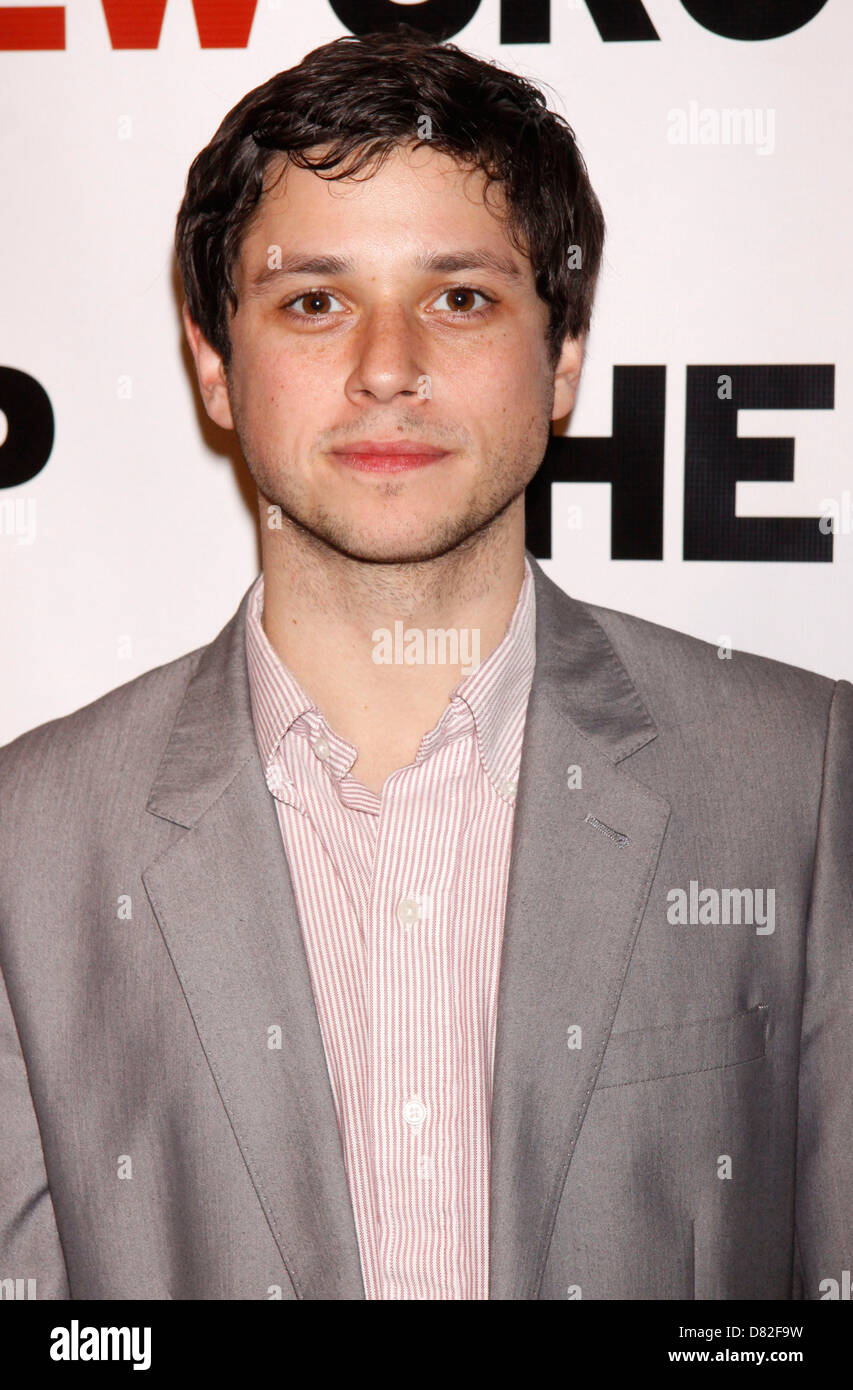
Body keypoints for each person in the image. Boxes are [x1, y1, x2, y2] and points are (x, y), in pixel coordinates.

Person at [0, 28, 850, 1302]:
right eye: (313, 301)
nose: (387, 368)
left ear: (561, 354)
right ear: (213, 364)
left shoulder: (799, 781)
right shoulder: (31, 839)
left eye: (460, 296)